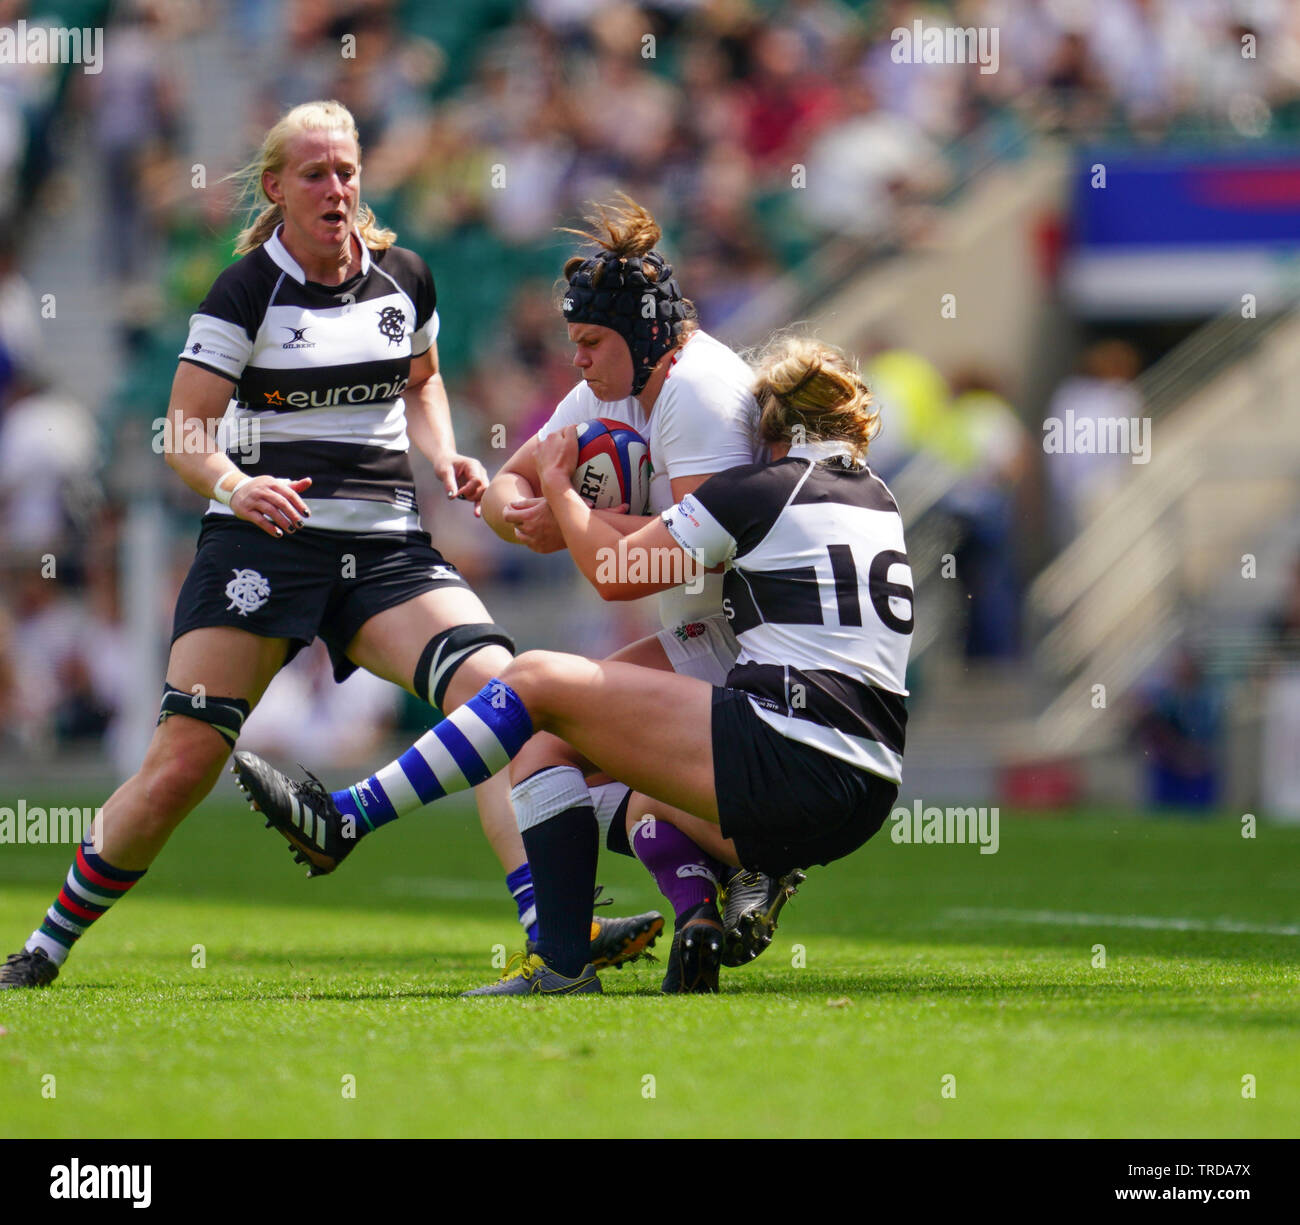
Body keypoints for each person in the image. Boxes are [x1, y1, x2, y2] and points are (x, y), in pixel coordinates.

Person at [0, 100, 655, 992]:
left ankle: (554, 933)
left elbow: (421, 384)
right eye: (315, 174)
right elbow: (184, 433)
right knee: (183, 763)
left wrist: (443, 453)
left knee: (504, 699)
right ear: (276, 188)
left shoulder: (405, 278)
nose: (336, 188)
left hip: (384, 549)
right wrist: (239, 484)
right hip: (261, 551)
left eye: (346, 171)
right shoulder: (243, 294)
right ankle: (43, 947)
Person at [238, 195, 808, 992]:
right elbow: (508, 490)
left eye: (589, 344)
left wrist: (571, 513)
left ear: (643, 337)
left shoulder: (701, 395)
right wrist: (536, 513)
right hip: (706, 639)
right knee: (539, 748)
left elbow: (665, 568)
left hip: (756, 653)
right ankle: (581, 956)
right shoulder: (619, 384)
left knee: (539, 701)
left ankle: (350, 819)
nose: (576, 362)